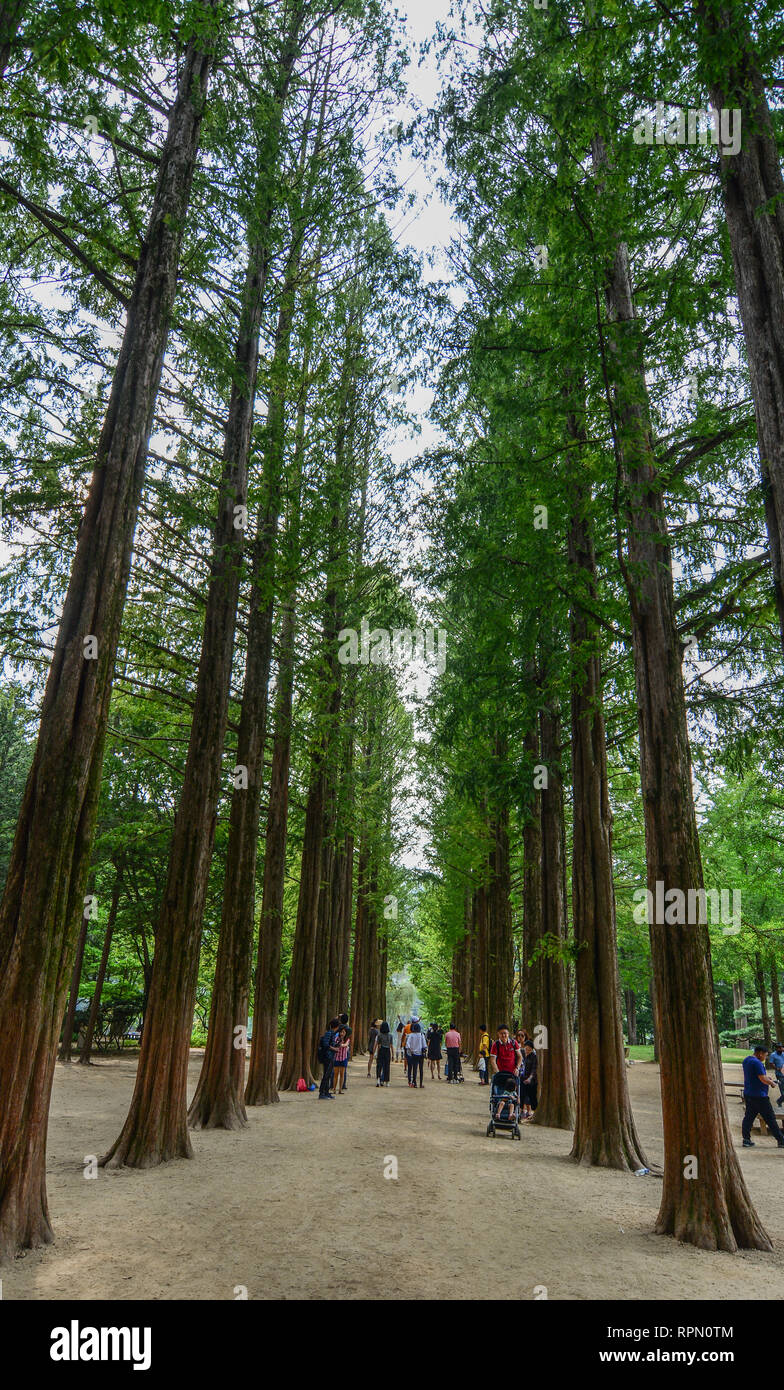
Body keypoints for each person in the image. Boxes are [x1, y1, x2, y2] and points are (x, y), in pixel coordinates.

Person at [741, 1044, 784, 1148]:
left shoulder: (747, 1060)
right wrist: (772, 1083)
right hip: (759, 1095)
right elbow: (762, 1078)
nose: (765, 1057)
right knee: (770, 1118)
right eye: (765, 1055)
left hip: (749, 1093)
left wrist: (766, 1077)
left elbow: (757, 1076)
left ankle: (746, 1139)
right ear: (760, 1054)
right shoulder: (757, 1063)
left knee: (749, 1117)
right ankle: (781, 1140)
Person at [318, 1017, 340, 1099]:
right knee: (326, 1075)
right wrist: (334, 1048)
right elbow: (325, 1044)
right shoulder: (329, 1033)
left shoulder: (332, 1034)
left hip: (331, 1056)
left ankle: (326, 1092)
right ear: (337, 1026)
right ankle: (321, 1093)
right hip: (327, 1057)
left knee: (329, 1075)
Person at [520, 1041, 538, 1118]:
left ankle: (530, 1111)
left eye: (529, 1050)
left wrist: (530, 1078)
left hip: (531, 1080)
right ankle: (522, 1110)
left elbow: (534, 1069)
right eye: (526, 1049)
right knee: (521, 1094)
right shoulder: (521, 1053)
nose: (527, 1051)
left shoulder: (534, 1056)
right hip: (522, 1077)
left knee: (530, 1095)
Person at [406, 1020, 427, 1088]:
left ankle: (414, 1083)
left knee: (414, 1069)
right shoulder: (421, 1035)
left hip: (414, 1054)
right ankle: (421, 1083)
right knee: (421, 1069)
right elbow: (424, 1045)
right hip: (421, 1054)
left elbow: (407, 1044)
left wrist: (411, 1050)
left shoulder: (411, 1035)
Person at [374, 1020, 393, 1085]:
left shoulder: (379, 1035)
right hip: (387, 1051)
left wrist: (375, 1053)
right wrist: (393, 1055)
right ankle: (387, 1082)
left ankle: (378, 1080)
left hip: (381, 1050)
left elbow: (378, 1045)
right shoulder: (390, 1036)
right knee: (387, 1066)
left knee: (379, 1065)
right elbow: (391, 1046)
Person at [333, 1026, 349, 1094]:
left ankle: (340, 1089)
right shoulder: (336, 1038)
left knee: (342, 1074)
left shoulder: (347, 1039)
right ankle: (334, 1089)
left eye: (343, 1032)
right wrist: (340, 1044)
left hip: (343, 1058)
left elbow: (346, 1045)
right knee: (335, 1074)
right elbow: (335, 1044)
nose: (342, 1033)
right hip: (336, 1058)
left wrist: (341, 1044)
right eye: (341, 1032)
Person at [338, 1011, 352, 1090]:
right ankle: (343, 1084)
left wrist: (338, 1017)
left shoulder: (338, 1028)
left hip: (337, 1049)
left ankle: (332, 1084)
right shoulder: (349, 1029)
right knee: (344, 1068)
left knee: (335, 1067)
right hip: (345, 1049)